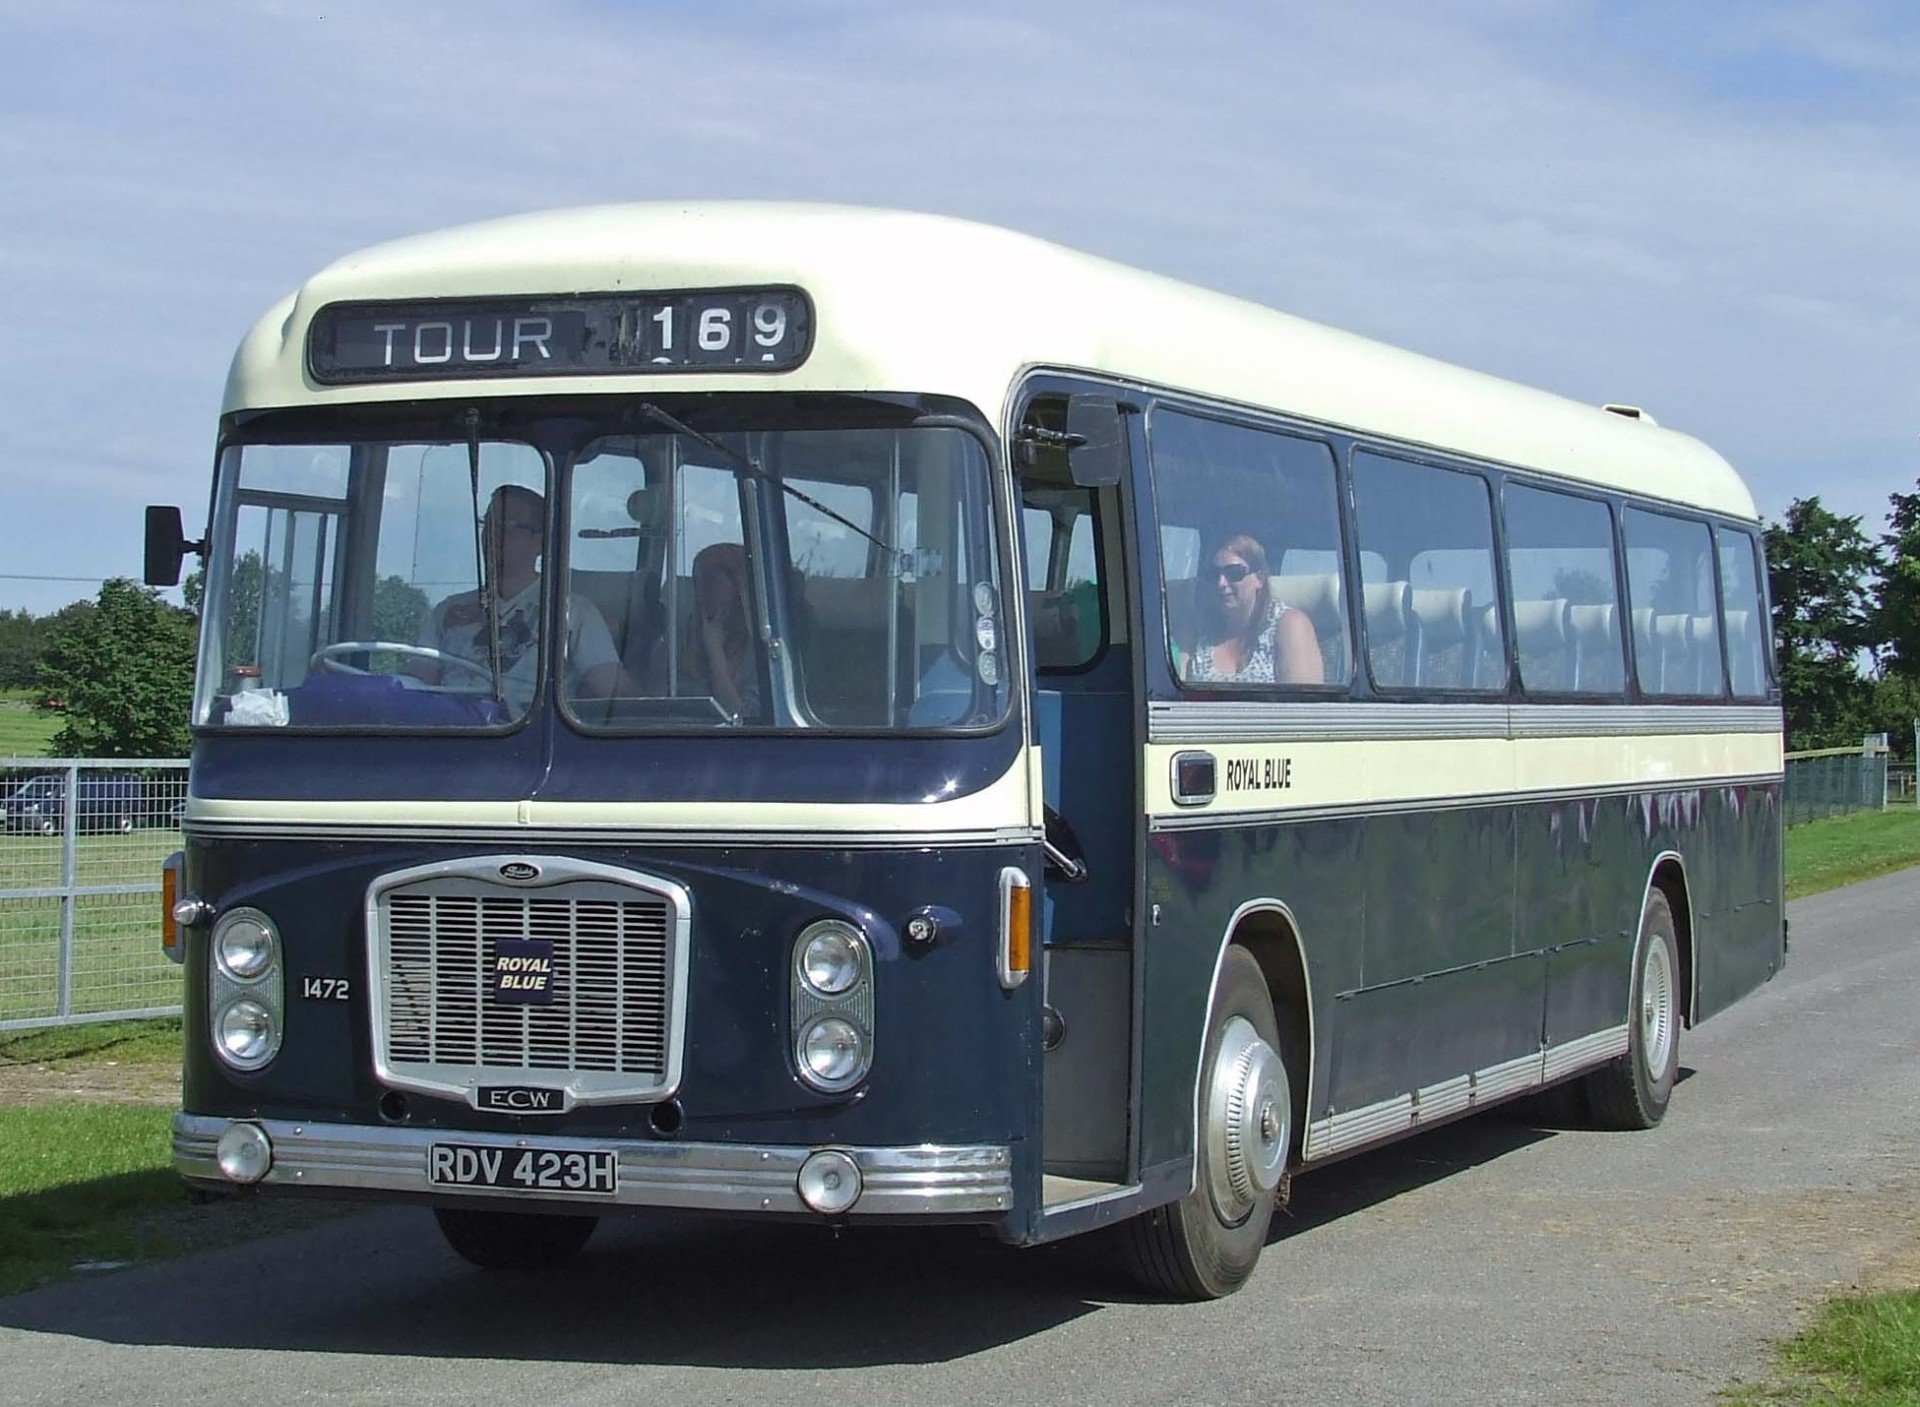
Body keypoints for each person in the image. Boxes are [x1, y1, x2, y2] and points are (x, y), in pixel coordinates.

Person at [413, 484, 621, 713]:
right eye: (488, 524)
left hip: (525, 735)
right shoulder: (448, 610)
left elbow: (611, 691)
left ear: (540, 541)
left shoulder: (571, 612)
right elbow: (418, 682)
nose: (492, 535)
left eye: (507, 527)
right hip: (450, 732)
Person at [1183, 533, 1323, 685]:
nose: (1221, 583)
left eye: (1234, 572)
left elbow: (1302, 706)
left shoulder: (1290, 625)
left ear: (1259, 579)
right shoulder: (1201, 632)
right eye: (1214, 574)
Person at [677, 542, 761, 721]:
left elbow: (742, 720)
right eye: (696, 583)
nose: (700, 592)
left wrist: (715, 651)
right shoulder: (677, 641)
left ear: (739, 590)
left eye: (710, 582)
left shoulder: (761, 653)